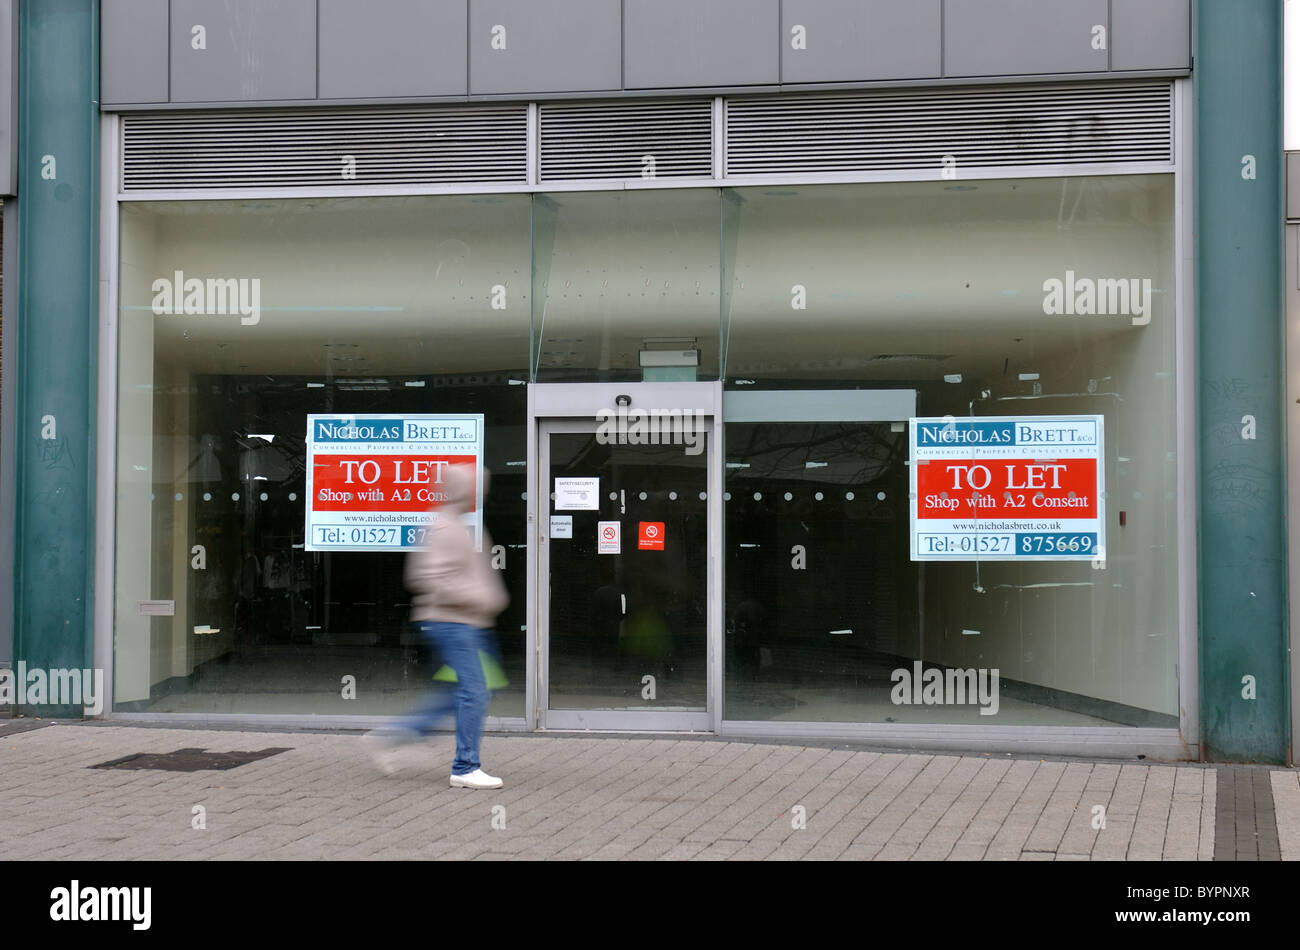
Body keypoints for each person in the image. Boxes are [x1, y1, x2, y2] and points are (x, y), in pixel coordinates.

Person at [364, 463, 508, 789]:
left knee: (465, 689)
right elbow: (426, 579)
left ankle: (399, 733)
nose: (480, 491)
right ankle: (465, 767)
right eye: (475, 485)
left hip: (472, 624)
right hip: (452, 623)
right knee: (474, 690)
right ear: (461, 488)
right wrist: (480, 597)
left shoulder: (459, 523)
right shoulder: (442, 525)